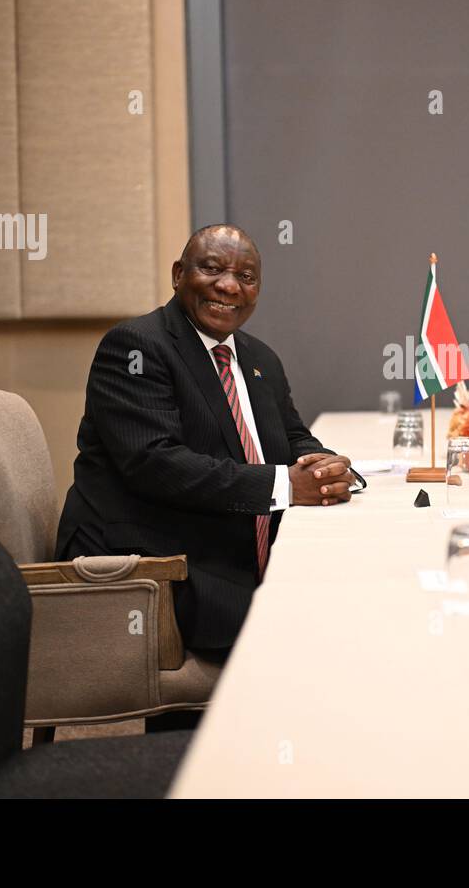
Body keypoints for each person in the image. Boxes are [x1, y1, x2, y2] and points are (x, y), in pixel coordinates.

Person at [56, 224, 356, 660]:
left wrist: (326, 467)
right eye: (212, 269)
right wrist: (286, 486)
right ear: (178, 274)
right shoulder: (136, 347)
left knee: (352, 593)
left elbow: (291, 436)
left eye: (246, 277)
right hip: (152, 561)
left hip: (222, 547)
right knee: (308, 630)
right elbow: (155, 464)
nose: (229, 286)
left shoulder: (259, 358)